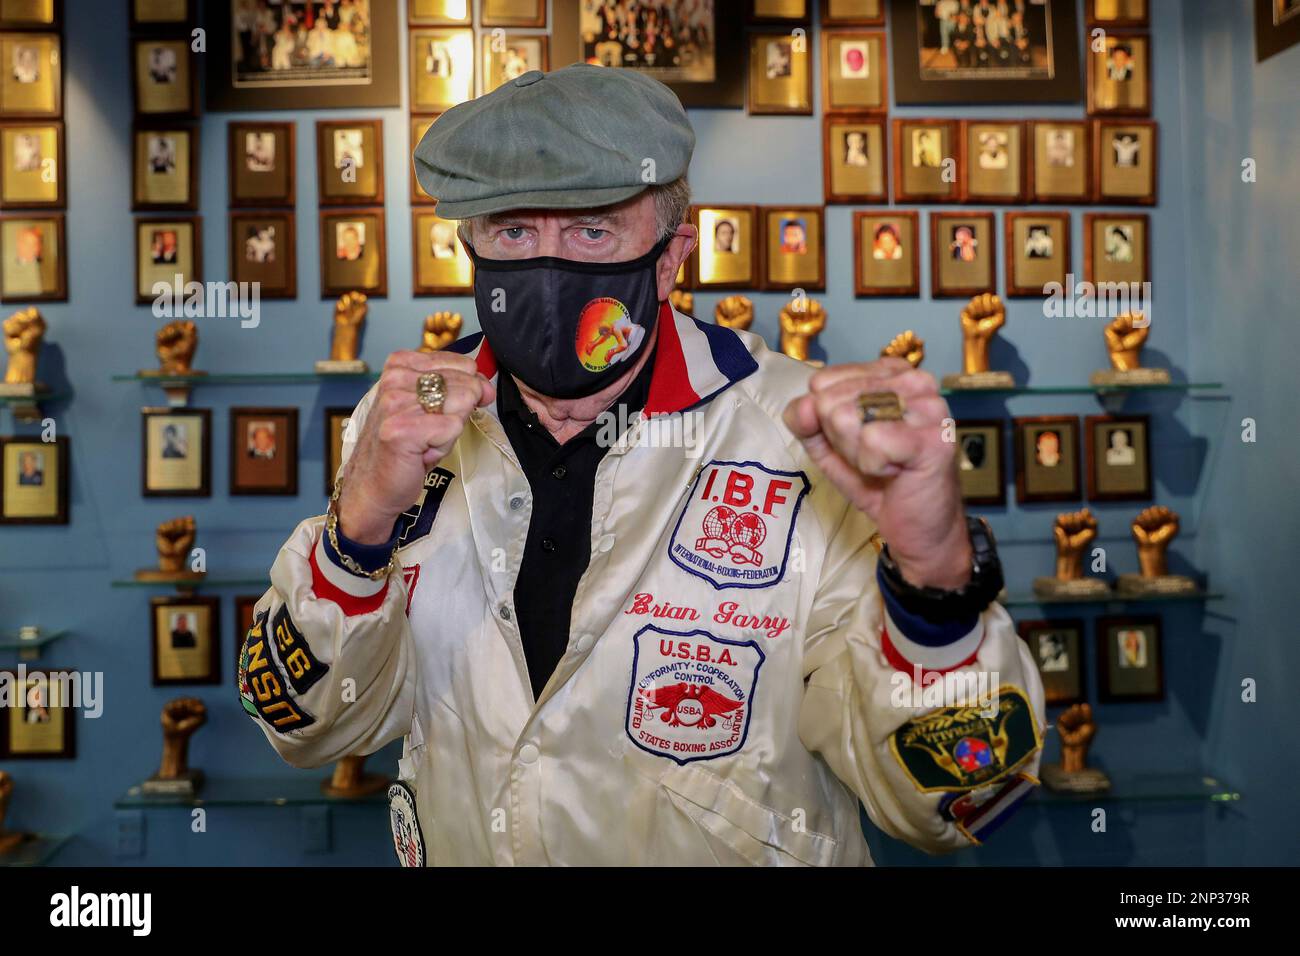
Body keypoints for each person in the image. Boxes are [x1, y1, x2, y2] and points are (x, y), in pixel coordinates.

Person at [242, 65, 1043, 867]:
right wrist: (356, 536)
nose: (547, 268)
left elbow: (948, 801)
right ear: (470, 248)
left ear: (670, 259)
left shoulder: (801, 439)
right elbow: (308, 728)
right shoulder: (401, 428)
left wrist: (936, 576)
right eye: (514, 232)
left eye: (592, 231)